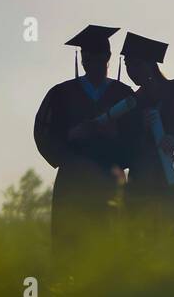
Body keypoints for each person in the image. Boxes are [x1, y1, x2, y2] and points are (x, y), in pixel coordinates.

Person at [33, 25, 135, 267]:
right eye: (87, 54)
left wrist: (115, 136)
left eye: (98, 54)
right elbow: (43, 132)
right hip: (73, 181)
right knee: (70, 247)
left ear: (108, 57)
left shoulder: (124, 95)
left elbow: (137, 139)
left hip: (109, 179)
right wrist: (69, 137)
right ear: (81, 57)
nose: (92, 59)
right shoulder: (60, 94)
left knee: (106, 248)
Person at [120, 32, 174, 255]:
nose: (131, 69)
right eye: (127, 63)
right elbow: (126, 150)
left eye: (135, 63)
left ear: (151, 63)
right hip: (144, 190)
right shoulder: (133, 103)